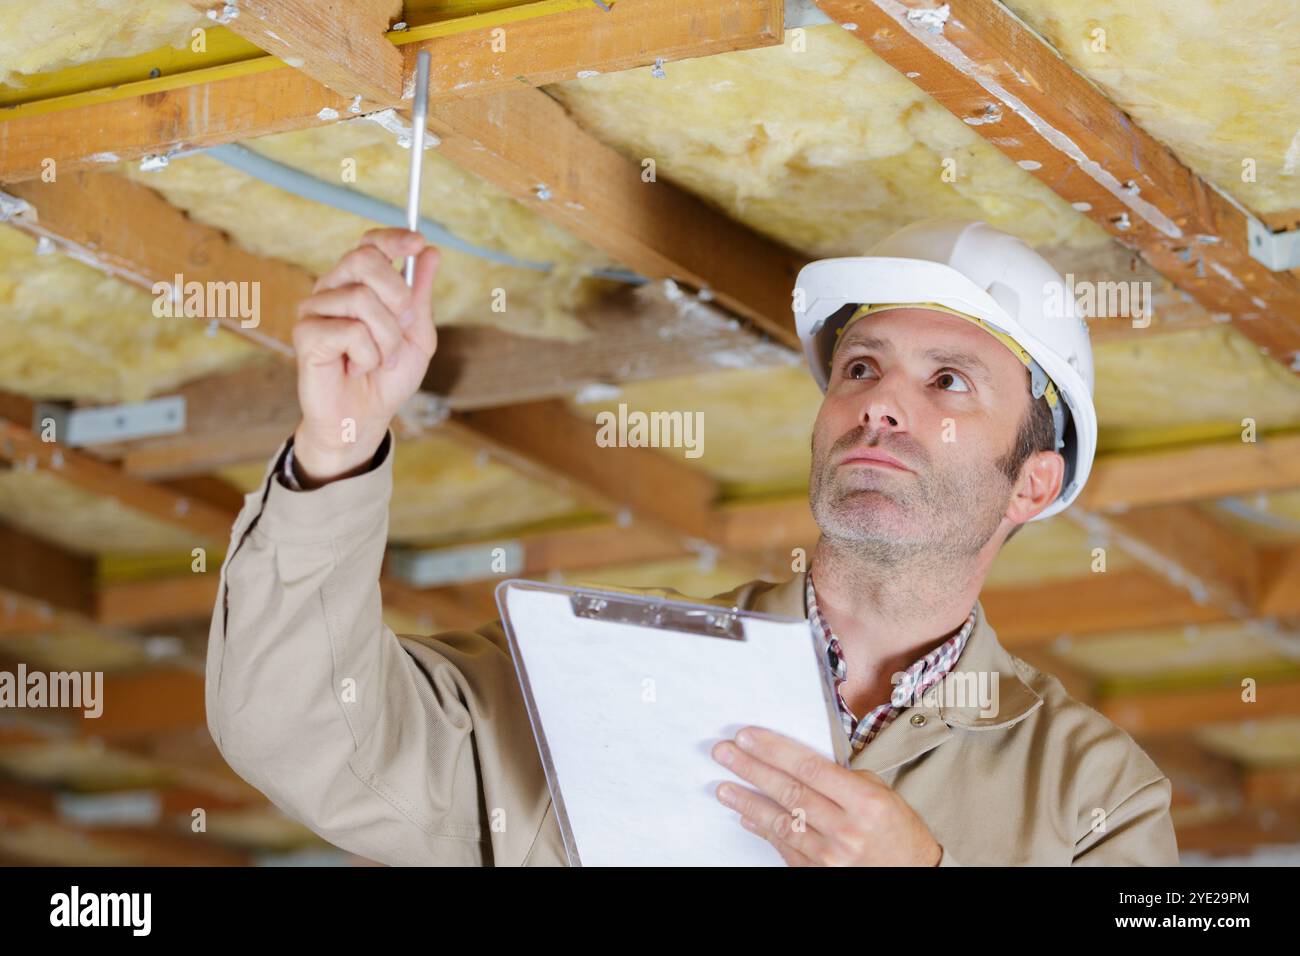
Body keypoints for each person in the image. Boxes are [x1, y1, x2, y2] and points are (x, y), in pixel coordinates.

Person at [207, 220, 1179, 866]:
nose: (880, 398)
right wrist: (337, 445)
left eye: (949, 380)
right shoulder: (602, 677)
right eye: (860, 366)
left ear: (1034, 480)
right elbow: (301, 730)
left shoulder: (1095, 792)